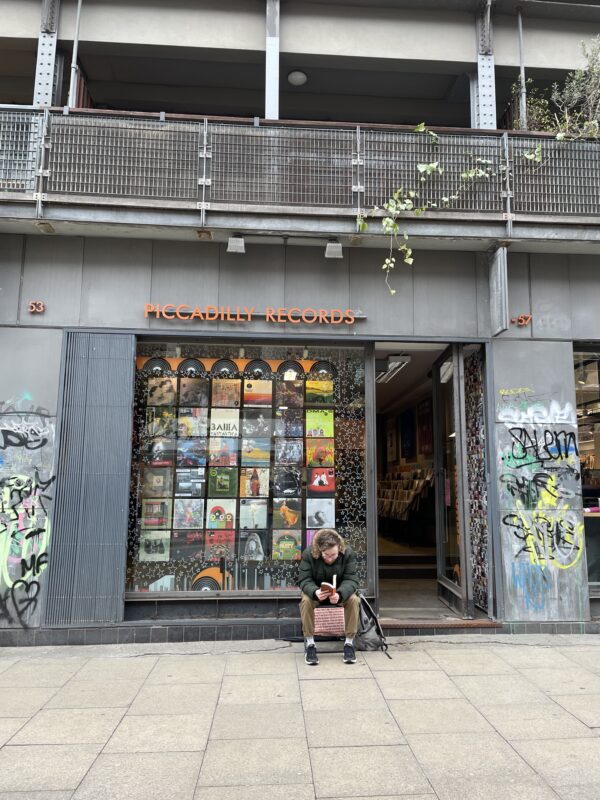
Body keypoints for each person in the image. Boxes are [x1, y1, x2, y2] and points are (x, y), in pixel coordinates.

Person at [298, 528, 360, 666]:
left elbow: (351, 579)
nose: (331, 558)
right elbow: (304, 579)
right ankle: (310, 643)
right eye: (327, 555)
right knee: (306, 601)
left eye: (334, 555)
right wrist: (315, 592)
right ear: (319, 550)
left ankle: (349, 643)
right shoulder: (309, 554)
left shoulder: (347, 553)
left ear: (339, 548)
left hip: (339, 593)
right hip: (316, 592)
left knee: (354, 600)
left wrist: (340, 594)